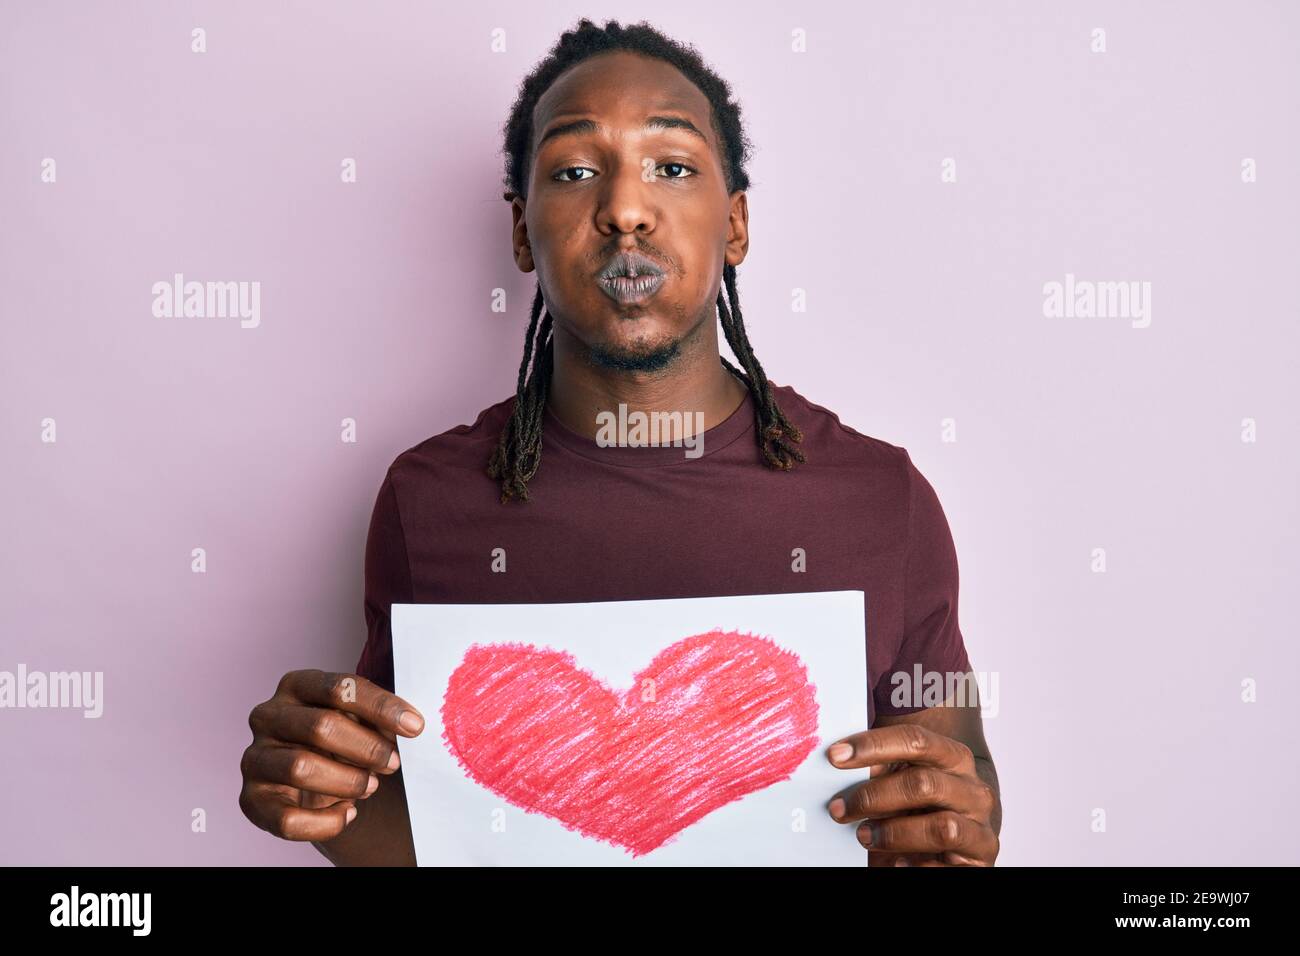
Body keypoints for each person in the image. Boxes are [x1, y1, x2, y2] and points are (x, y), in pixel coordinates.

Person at [239, 18, 1001, 867]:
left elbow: (969, 789)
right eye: (574, 172)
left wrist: (955, 827)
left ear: (736, 224)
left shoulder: (880, 498)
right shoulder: (427, 500)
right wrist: (320, 799)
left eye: (672, 168)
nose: (626, 210)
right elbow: (416, 820)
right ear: (523, 231)